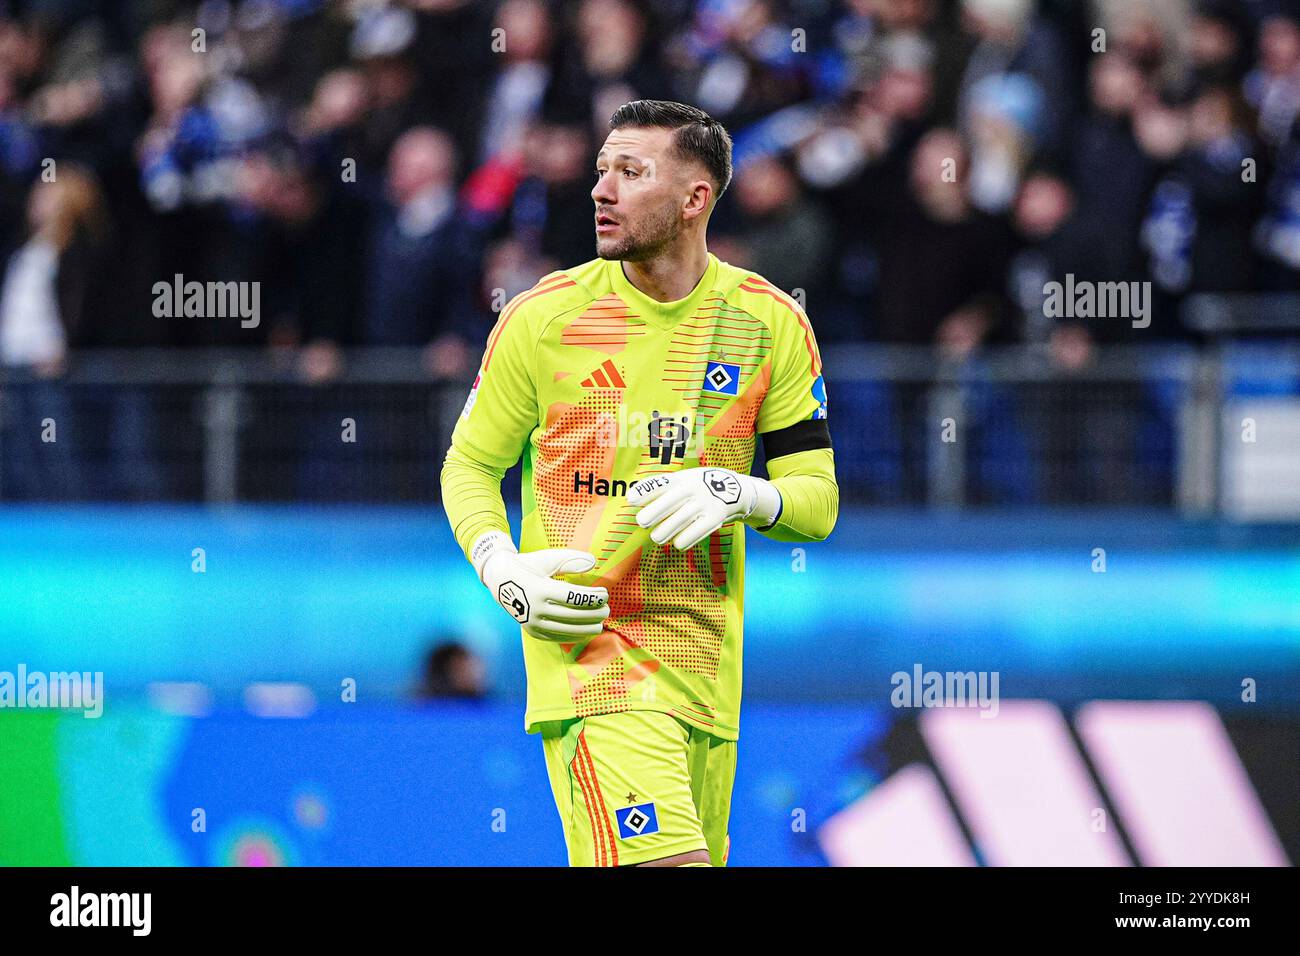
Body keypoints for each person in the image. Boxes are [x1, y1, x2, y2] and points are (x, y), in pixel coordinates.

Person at [440, 100, 838, 867]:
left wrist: (743, 494)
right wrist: (502, 566)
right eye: (600, 170)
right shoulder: (544, 318)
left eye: (630, 172)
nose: (601, 190)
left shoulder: (769, 324)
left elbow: (815, 502)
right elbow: (470, 466)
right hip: (592, 661)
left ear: (696, 200)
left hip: (707, 679)